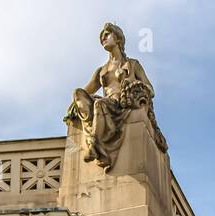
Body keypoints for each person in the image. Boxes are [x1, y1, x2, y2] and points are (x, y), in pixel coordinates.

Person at [65, 23, 167, 170]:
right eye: (102, 37)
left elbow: (150, 89)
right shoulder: (102, 70)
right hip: (105, 102)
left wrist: (130, 83)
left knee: (99, 105)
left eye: (106, 35)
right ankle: (99, 133)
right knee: (78, 93)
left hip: (122, 102)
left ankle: (95, 145)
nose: (103, 38)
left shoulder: (132, 64)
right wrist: (74, 105)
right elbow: (86, 90)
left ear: (118, 38)